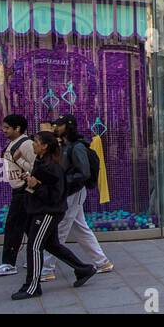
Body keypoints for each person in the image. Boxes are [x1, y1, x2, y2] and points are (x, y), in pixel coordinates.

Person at [12, 131, 96, 300]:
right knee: (52, 245)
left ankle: (32, 285)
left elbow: (55, 195)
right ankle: (83, 269)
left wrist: (35, 186)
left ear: (44, 146)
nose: (33, 145)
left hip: (47, 212)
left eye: (35, 142)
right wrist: (31, 181)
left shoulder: (52, 166)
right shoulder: (41, 161)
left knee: (34, 246)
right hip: (40, 209)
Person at [40, 115, 113, 281]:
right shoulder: (66, 145)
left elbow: (84, 172)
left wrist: (64, 181)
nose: (55, 127)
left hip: (72, 193)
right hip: (70, 192)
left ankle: (46, 269)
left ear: (68, 126)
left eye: (59, 125)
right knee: (80, 228)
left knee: (59, 229)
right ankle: (102, 262)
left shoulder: (76, 147)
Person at [0, 113, 35, 276]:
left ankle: (8, 263)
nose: (4, 130)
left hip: (24, 192)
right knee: (29, 229)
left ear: (18, 128)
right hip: (19, 190)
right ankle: (39, 257)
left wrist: (21, 165)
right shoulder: (13, 144)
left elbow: (37, 166)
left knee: (13, 226)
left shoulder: (26, 144)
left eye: (7, 128)